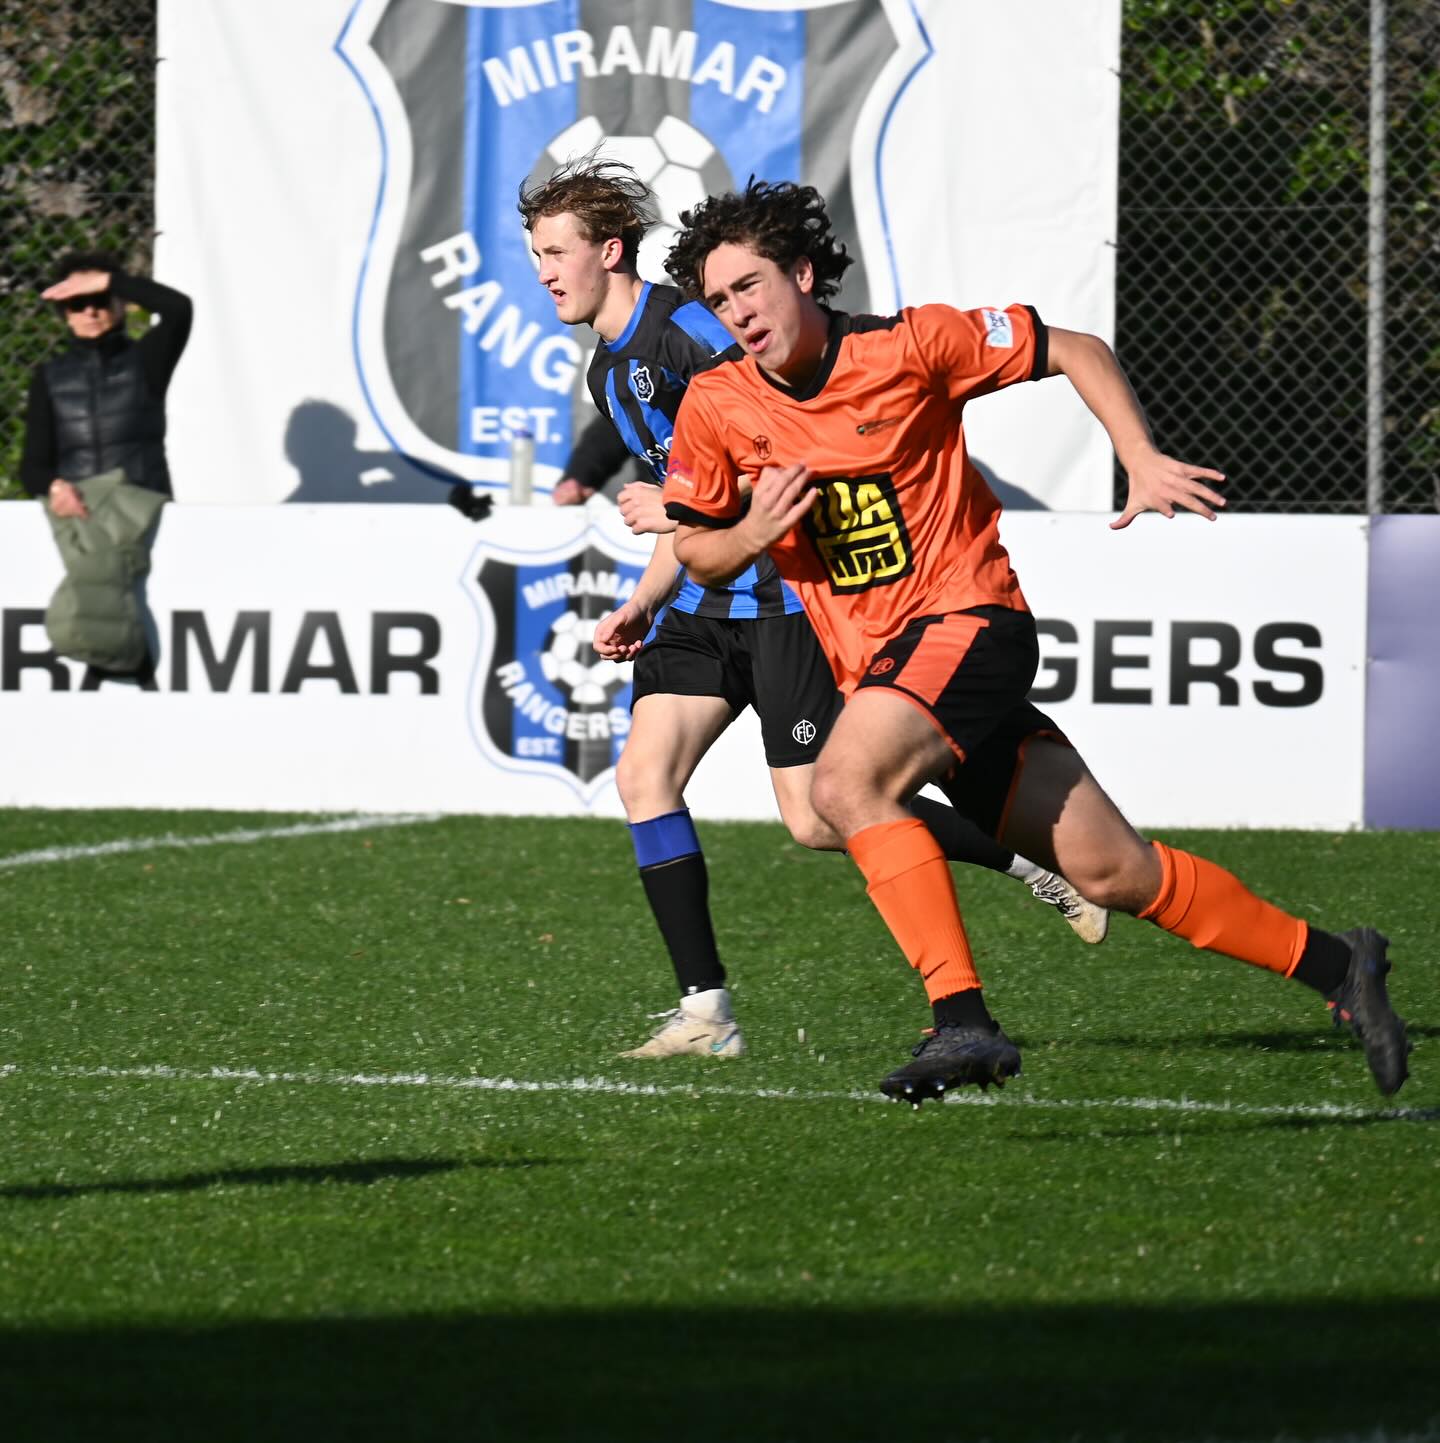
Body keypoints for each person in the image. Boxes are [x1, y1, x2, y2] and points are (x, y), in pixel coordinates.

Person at [660, 179, 1410, 1103]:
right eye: (719, 298)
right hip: (889, 670)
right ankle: (1342, 968)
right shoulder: (715, 403)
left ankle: (961, 1021)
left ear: (804, 274)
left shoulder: (912, 342)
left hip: (970, 621)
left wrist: (1135, 454)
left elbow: (1075, 348)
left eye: (750, 286)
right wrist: (749, 530)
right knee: (1114, 869)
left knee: (846, 784)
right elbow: (696, 545)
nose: (737, 311)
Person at [517, 159, 1107, 1061]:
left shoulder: (690, 330)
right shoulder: (610, 370)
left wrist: (683, 520)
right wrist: (645, 597)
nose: (546, 271)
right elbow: (693, 505)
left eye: (557, 251)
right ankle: (707, 1011)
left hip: (787, 598)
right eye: (535, 256)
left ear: (610, 249)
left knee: (816, 818)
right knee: (644, 777)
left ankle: (1034, 862)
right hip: (706, 599)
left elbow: (776, 431)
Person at [21, 250, 193, 514]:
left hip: (144, 511)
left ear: (120, 304)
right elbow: (33, 466)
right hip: (84, 517)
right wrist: (55, 488)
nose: (90, 311)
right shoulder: (49, 377)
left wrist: (111, 281)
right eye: (77, 302)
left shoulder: (146, 361)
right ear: (66, 314)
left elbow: (179, 310)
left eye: (100, 299)